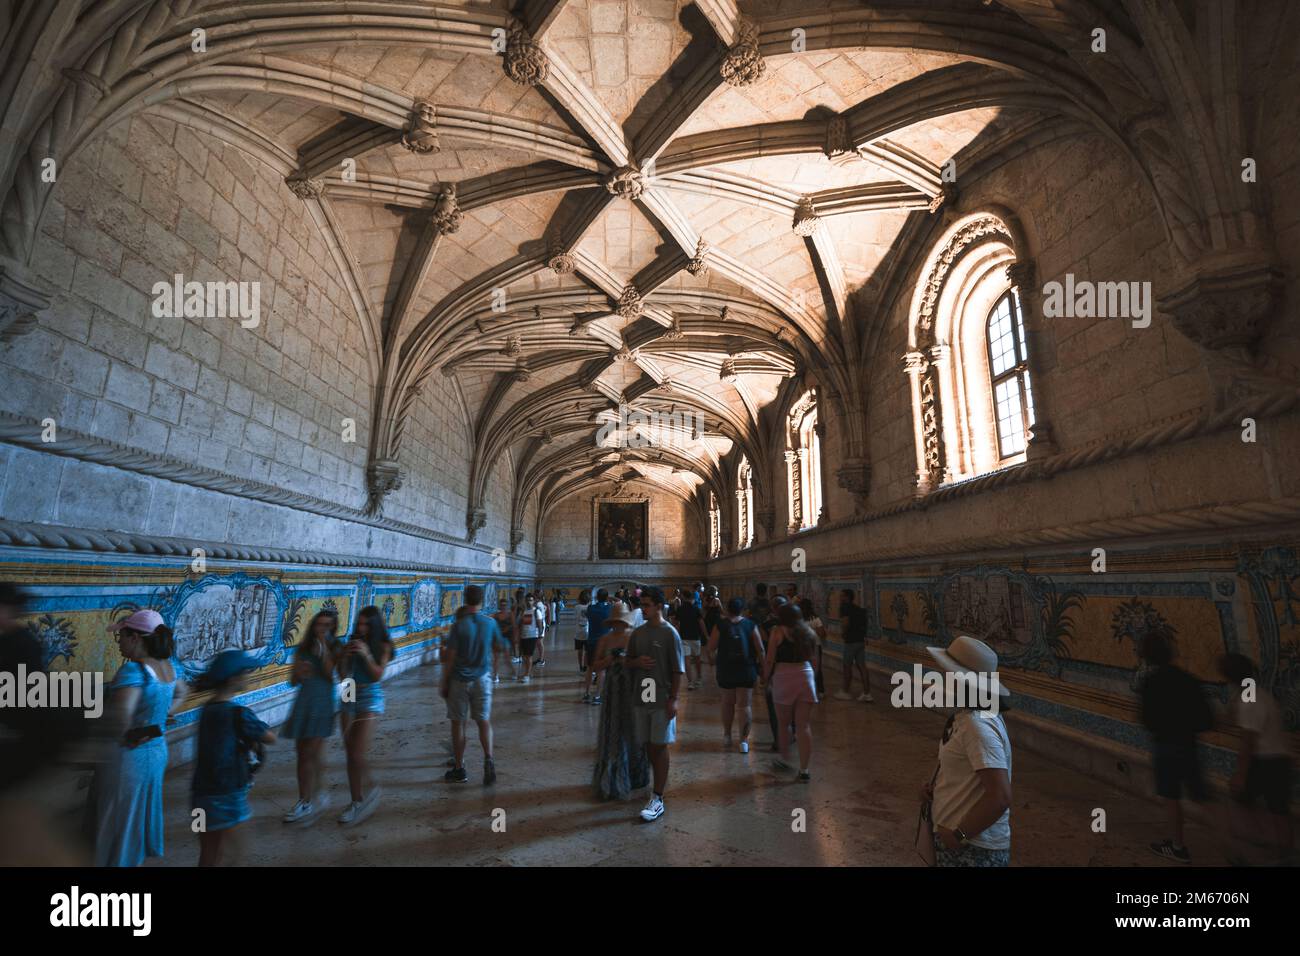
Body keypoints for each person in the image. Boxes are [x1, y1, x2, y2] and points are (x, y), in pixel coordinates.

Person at [95, 609, 186, 867]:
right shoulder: (168, 667)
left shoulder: (133, 671)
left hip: (129, 757)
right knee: (137, 814)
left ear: (135, 638)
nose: (120, 642)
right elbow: (181, 693)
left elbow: (121, 716)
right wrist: (158, 715)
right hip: (157, 750)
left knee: (117, 820)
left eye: (122, 636)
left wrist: (113, 736)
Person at [922, 636, 1014, 867]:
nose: (944, 675)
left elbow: (1000, 796)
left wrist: (959, 836)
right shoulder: (967, 717)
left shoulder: (978, 726)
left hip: (974, 850)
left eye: (948, 671)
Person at [190, 650, 276, 866]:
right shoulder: (239, 713)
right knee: (237, 853)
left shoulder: (207, 709)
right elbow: (270, 738)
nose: (248, 676)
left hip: (200, 794)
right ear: (233, 678)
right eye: (245, 672)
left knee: (209, 854)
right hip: (228, 795)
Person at [1137, 632, 1212, 863]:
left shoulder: (1150, 682)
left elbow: (1146, 719)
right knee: (1202, 797)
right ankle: (1231, 845)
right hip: (1189, 744)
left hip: (1165, 745)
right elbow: (1207, 718)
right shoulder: (1189, 679)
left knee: (1171, 798)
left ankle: (1177, 846)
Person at [1219, 654, 1293, 862]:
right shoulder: (1256, 693)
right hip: (1280, 758)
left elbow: (1248, 739)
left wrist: (1241, 774)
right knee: (1279, 811)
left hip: (1265, 761)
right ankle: (1284, 855)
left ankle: (1250, 849)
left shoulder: (1249, 699)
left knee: (1240, 800)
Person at [441, 586, 511, 784]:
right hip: (482, 678)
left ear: (465, 600)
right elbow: (500, 646)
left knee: (458, 723)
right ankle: (489, 760)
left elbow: (450, 658)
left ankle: (459, 768)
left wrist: (444, 681)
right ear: (482, 601)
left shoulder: (459, 625)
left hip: (460, 680)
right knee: (483, 721)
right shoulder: (490, 623)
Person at [625, 587, 684, 822]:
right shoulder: (638, 633)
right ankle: (654, 788)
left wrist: (674, 698)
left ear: (659, 606)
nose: (643, 608)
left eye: (647, 604)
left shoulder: (670, 634)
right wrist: (636, 661)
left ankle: (658, 798)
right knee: (649, 744)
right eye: (642, 604)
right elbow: (628, 661)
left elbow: (678, 669)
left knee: (659, 746)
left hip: (661, 698)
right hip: (642, 697)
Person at [282, 609, 340, 825]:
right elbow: (293, 681)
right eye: (319, 625)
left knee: (310, 752)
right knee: (302, 753)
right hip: (304, 701)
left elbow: (329, 674)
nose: (322, 629)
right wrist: (299, 672)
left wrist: (324, 648)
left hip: (322, 701)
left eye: (327, 626)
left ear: (332, 628)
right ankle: (307, 797)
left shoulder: (335, 647)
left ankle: (309, 799)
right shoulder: (303, 648)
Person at [337, 605, 393, 826]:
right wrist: (343, 656)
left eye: (366, 624)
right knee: (350, 751)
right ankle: (356, 801)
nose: (361, 628)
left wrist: (366, 654)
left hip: (370, 694)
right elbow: (342, 676)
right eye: (359, 623)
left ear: (374, 625)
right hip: (349, 691)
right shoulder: (352, 641)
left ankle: (371, 786)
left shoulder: (383, 645)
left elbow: (378, 674)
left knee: (357, 752)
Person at [590, 603, 650, 799]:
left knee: (633, 729)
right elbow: (595, 665)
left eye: (621, 623)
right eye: (616, 623)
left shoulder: (634, 636)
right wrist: (609, 661)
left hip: (632, 688)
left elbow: (644, 662)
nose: (619, 626)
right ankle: (613, 776)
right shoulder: (605, 639)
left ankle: (635, 774)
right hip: (613, 691)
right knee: (613, 730)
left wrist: (627, 660)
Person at [762, 604, 818, 780]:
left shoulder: (777, 632)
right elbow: (815, 660)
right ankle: (804, 770)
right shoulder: (809, 632)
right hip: (806, 675)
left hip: (784, 677)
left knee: (783, 724)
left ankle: (784, 760)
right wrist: (812, 679)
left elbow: (770, 659)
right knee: (803, 726)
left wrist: (765, 678)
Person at [708, 596, 764, 753]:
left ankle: (727, 736)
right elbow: (760, 649)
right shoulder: (750, 624)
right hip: (746, 669)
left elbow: (711, 648)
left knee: (727, 703)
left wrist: (713, 662)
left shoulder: (720, 625)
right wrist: (763, 669)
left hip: (726, 669)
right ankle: (744, 741)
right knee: (744, 705)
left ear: (727, 609)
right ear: (743, 610)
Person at [837, 589, 873, 702]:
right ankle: (867, 693)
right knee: (862, 666)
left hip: (851, 641)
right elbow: (865, 624)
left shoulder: (844, 608)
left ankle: (845, 691)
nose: (840, 598)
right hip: (860, 641)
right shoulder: (860, 609)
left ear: (847, 597)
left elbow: (845, 622)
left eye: (842, 596)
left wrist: (843, 633)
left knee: (847, 666)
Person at [583, 589, 612, 703]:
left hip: (591, 641)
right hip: (604, 642)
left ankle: (586, 693)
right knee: (601, 670)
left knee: (590, 669)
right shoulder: (609, 608)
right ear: (606, 597)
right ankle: (598, 695)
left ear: (597, 597)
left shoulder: (591, 608)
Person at [674, 591, 707, 690]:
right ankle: (699, 678)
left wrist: (677, 635)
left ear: (684, 597)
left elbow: (676, 623)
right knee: (697, 658)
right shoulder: (696, 608)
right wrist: (706, 635)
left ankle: (690, 683)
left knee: (687, 660)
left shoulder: (680, 609)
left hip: (684, 637)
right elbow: (701, 623)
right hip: (695, 637)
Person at [799, 598, 828, 695]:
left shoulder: (798, 619)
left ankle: (806, 689)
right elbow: (821, 633)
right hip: (816, 646)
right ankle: (820, 691)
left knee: (803, 667)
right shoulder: (815, 618)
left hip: (803, 646)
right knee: (817, 668)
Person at [517, 594, 543, 683]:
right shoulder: (523, 612)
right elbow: (521, 625)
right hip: (523, 636)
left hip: (532, 637)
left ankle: (527, 675)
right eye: (527, 600)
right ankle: (528, 671)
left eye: (531, 600)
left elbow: (540, 625)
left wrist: (539, 636)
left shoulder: (536, 611)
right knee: (524, 656)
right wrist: (518, 636)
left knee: (528, 656)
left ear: (533, 601)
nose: (529, 602)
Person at [491, 595, 516, 683]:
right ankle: (495, 675)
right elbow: (492, 626)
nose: (503, 607)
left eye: (505, 605)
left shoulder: (510, 615)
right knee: (496, 658)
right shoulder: (496, 615)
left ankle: (513, 673)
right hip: (497, 639)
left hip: (506, 639)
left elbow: (514, 627)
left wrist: (514, 639)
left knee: (507, 658)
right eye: (502, 605)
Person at [574, 589, 592, 674]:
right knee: (587, 651)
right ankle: (585, 666)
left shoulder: (576, 607)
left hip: (578, 632)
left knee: (580, 651)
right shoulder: (590, 607)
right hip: (587, 632)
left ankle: (580, 667)